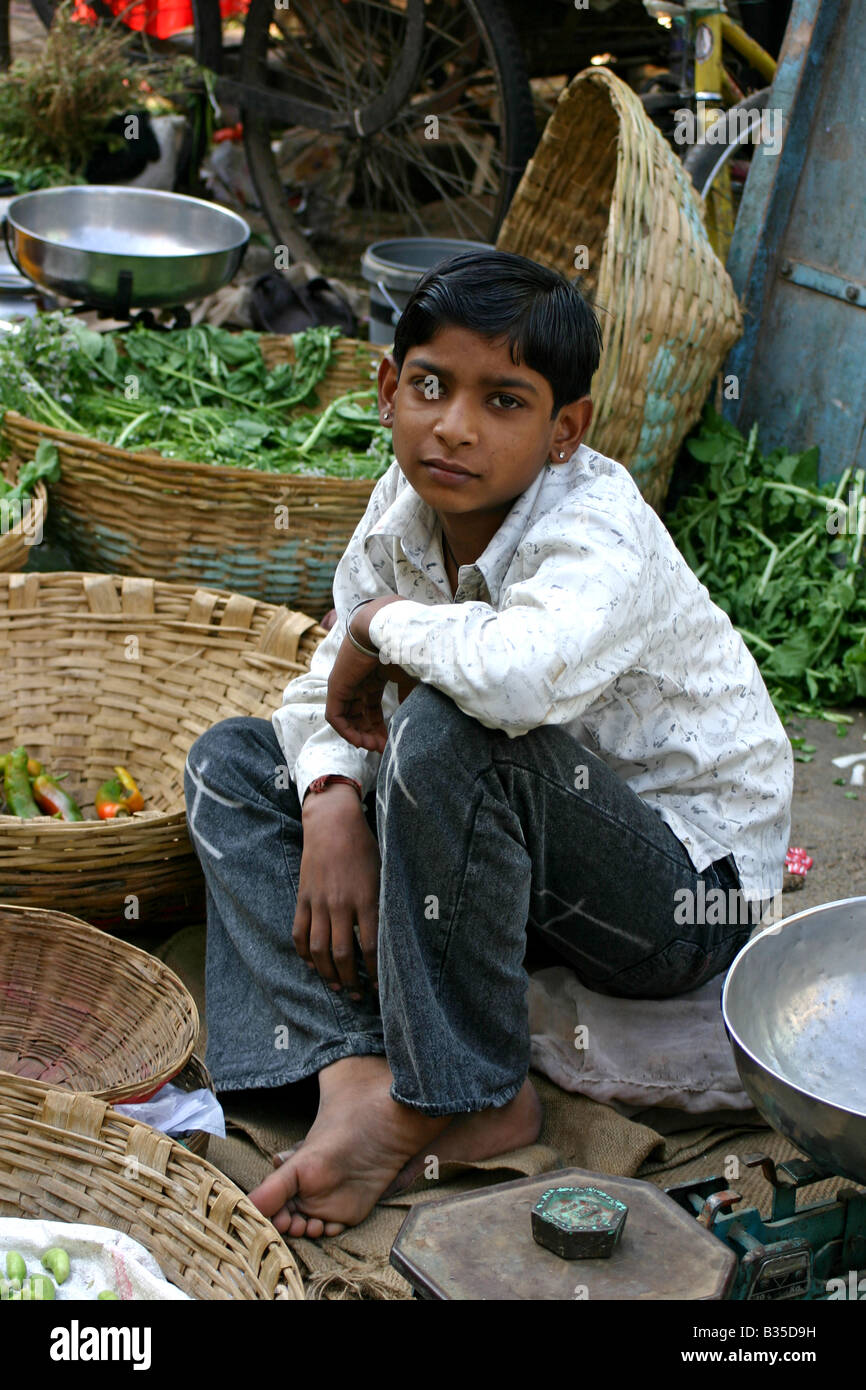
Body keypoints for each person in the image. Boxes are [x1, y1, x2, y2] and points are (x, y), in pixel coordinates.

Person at [184, 250, 792, 1240]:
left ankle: (469, 1092)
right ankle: (352, 1070)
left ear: (565, 430)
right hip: (500, 852)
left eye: (503, 401)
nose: (454, 426)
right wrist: (331, 800)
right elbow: (326, 684)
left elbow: (514, 681)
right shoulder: (404, 502)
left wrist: (375, 626)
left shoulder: (598, 529)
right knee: (234, 765)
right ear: (388, 387)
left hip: (676, 896)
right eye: (430, 386)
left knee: (449, 725)